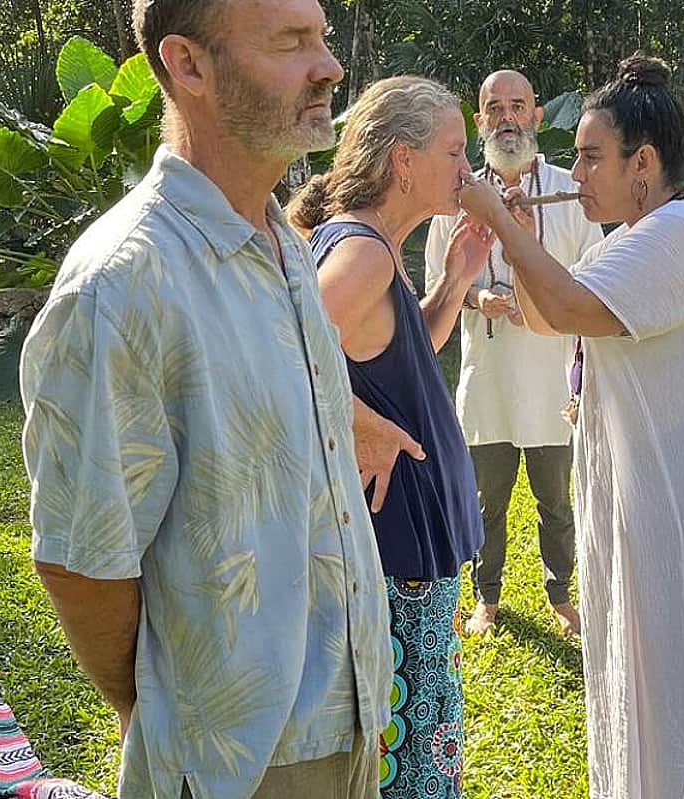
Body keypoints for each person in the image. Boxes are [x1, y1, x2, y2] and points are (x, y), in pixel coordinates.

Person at [20, 1, 392, 797]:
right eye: (292, 42)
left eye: (322, 37)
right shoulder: (120, 288)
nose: (328, 65)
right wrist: (172, 713)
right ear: (189, 65)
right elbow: (81, 560)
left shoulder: (282, 242)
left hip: (350, 724)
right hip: (239, 763)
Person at [458, 54, 684, 799]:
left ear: (644, 163)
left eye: (591, 156)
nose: (577, 174)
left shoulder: (683, 230)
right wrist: (510, 231)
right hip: (653, 501)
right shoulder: (622, 240)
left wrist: (499, 221)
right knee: (641, 672)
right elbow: (548, 315)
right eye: (574, 156)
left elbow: (565, 305)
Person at [287, 76, 489, 799]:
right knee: (408, 757)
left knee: (419, 737)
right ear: (403, 160)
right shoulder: (365, 252)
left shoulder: (377, 248)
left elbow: (394, 360)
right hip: (395, 557)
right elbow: (280, 355)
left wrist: (456, 280)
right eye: (452, 150)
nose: (466, 170)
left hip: (404, 549)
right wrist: (354, 422)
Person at [425, 70, 603, 638]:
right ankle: (487, 598)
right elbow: (435, 281)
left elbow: (598, 275)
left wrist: (542, 303)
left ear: (535, 116)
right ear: (480, 122)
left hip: (553, 380)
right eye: (494, 107)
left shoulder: (569, 192)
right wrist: (480, 296)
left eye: (517, 106)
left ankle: (562, 594)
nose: (507, 117)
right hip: (488, 377)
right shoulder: (454, 198)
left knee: (557, 501)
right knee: (486, 502)